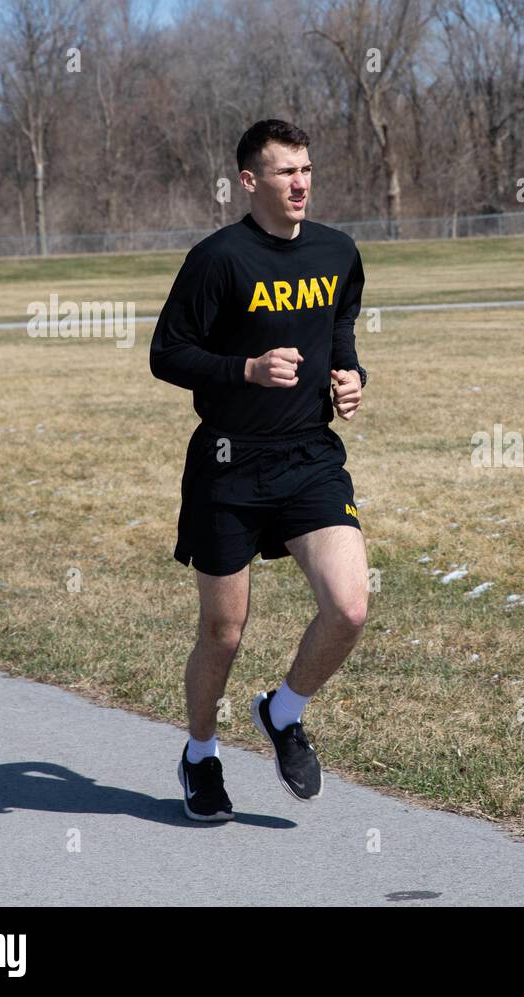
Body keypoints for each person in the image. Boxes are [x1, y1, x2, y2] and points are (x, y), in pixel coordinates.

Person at [150, 119, 369, 821]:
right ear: (250, 181)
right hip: (227, 464)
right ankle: (201, 754)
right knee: (223, 632)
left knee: (350, 606)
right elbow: (167, 353)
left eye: (306, 168)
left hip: (308, 456)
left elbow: (340, 334)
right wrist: (244, 368)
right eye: (284, 172)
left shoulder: (338, 252)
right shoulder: (218, 260)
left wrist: (351, 376)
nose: (300, 182)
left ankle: (283, 711)